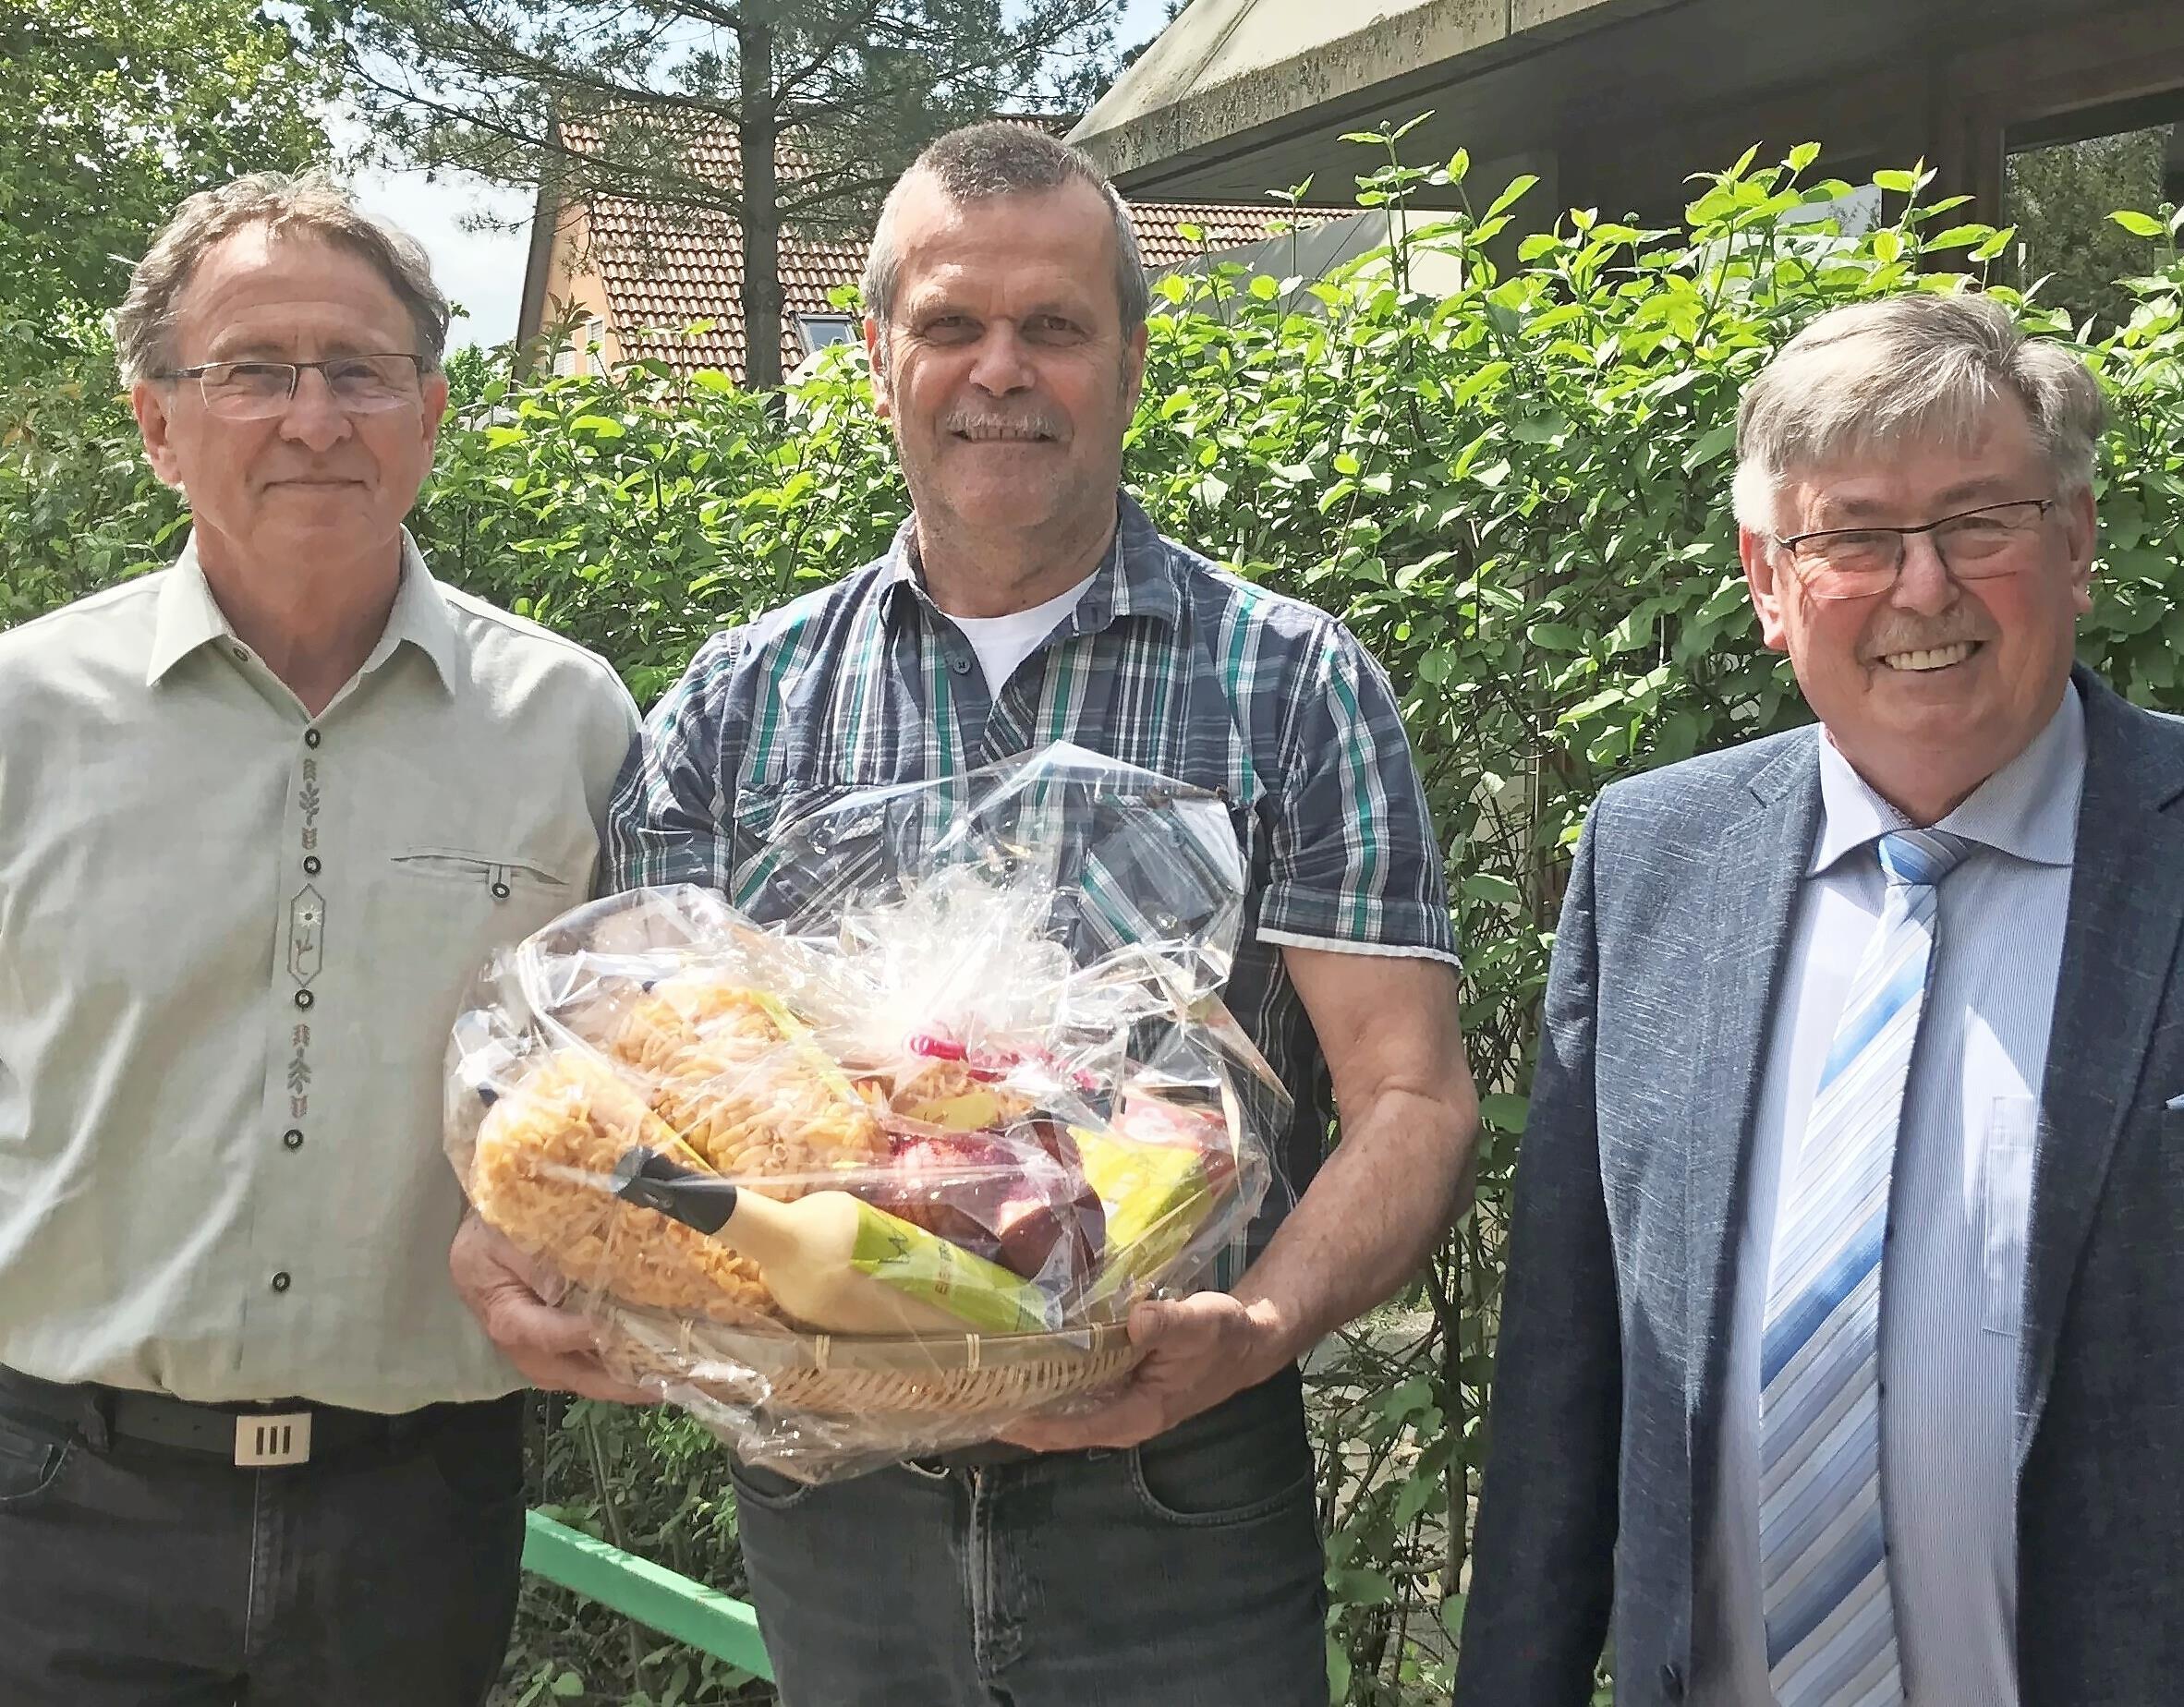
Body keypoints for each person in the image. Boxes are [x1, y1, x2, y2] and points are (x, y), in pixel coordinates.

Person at [452, 121, 1481, 1704]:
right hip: (830, 1501)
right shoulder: (746, 699)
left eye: (1055, 328)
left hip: (1180, 1494)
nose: (1001, 370)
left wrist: (1260, 1322)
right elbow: (623, 1077)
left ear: (1131, 357)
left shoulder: (1291, 682)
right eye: (950, 325)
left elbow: (1409, 1091)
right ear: (875, 357)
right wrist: (525, 1237)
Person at [1454, 291, 2184, 1707]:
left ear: (2077, 540)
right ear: (1767, 579)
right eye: (1853, 535)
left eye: (1981, 521)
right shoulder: (1654, 861)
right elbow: (1563, 1396)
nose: (1923, 588)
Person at [0, 175, 640, 1704]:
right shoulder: (21, 718)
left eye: (359, 371)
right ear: (158, 423)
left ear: (428, 414)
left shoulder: (568, 725)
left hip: (419, 1508)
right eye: (253, 371)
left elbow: (642, 1079)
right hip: (56, 1503)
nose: (313, 417)